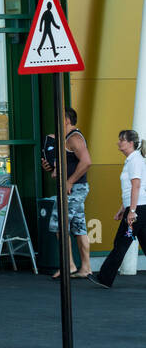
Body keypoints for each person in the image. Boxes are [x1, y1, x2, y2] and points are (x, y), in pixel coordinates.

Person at [87, 130, 145, 289]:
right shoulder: (131, 160)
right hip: (138, 208)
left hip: (137, 210)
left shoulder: (134, 161)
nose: (119, 142)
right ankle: (105, 277)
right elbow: (129, 189)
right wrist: (123, 208)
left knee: (122, 242)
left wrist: (131, 211)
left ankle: (105, 278)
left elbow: (136, 186)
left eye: (122, 140)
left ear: (131, 143)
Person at [41, 107, 91, 278]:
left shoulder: (74, 138)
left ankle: (68, 265)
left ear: (67, 120)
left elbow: (86, 162)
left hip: (73, 189)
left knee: (60, 226)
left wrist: (69, 181)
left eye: (59, 118)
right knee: (79, 227)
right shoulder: (65, 139)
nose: (56, 121)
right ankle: (85, 268)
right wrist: (50, 169)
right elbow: (63, 167)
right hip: (75, 188)